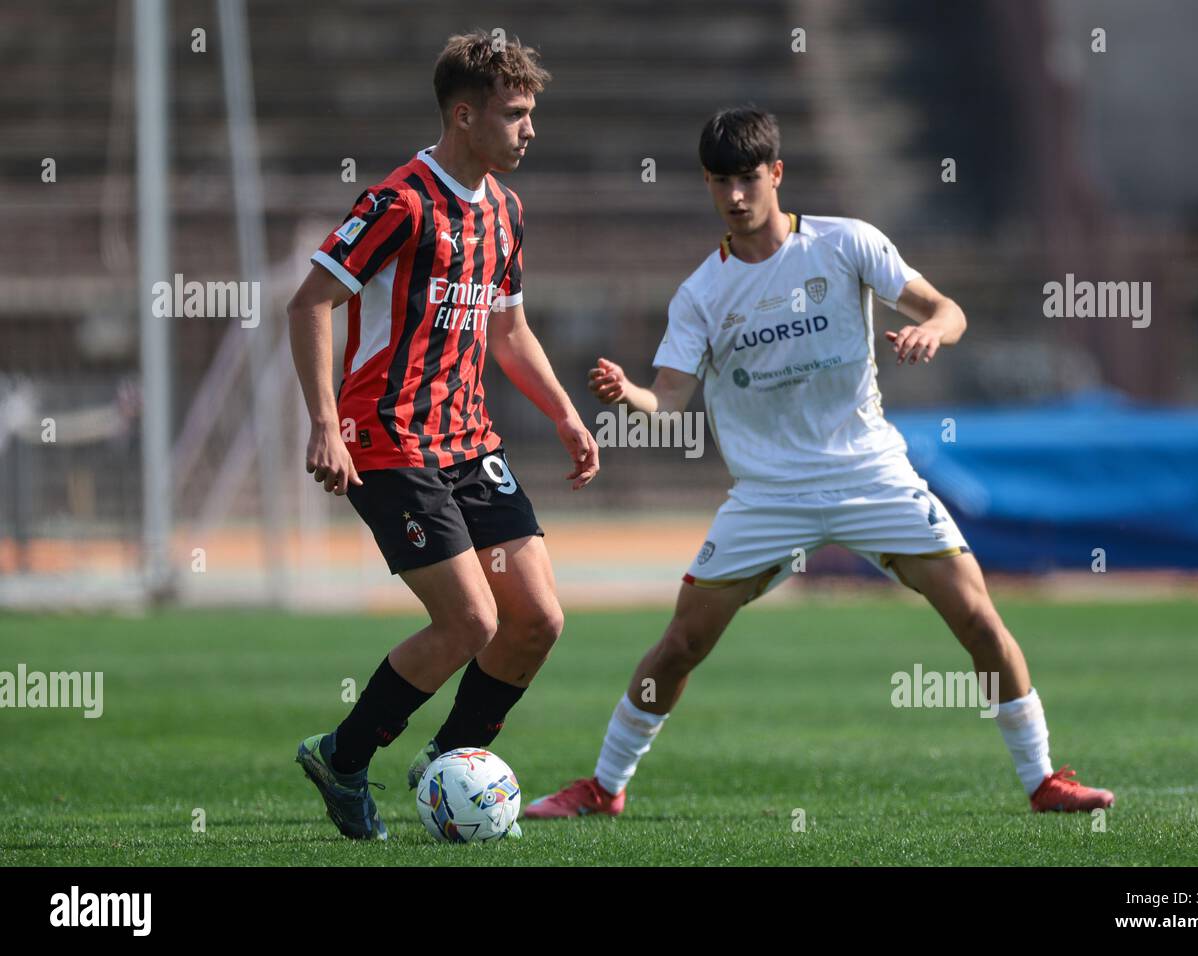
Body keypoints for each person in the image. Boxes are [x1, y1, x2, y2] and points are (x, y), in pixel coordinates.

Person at [526, 107, 1113, 820]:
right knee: (681, 643)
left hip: (870, 473)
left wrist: (931, 328)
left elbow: (947, 307)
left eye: (747, 178)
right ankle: (604, 785)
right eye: (720, 182)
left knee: (979, 620)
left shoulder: (846, 243)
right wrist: (632, 396)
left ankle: (1044, 779)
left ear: (776, 173)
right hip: (770, 493)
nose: (735, 196)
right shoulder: (701, 294)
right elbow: (672, 399)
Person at [287, 31, 598, 840]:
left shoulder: (505, 210)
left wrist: (565, 413)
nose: (530, 130)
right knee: (471, 623)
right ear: (464, 116)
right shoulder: (400, 202)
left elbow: (509, 330)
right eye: (516, 114)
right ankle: (343, 757)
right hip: (386, 442)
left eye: (533, 114)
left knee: (537, 620)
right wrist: (326, 423)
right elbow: (308, 302)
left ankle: (448, 766)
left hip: (470, 444)